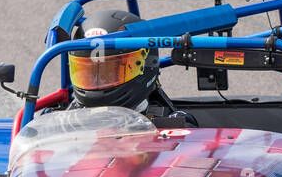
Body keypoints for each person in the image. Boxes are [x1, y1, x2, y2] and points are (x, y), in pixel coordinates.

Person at [67, 9, 197, 125]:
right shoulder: (64, 120)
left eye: (110, 72)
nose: (98, 80)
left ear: (144, 66)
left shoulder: (175, 123)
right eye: (88, 72)